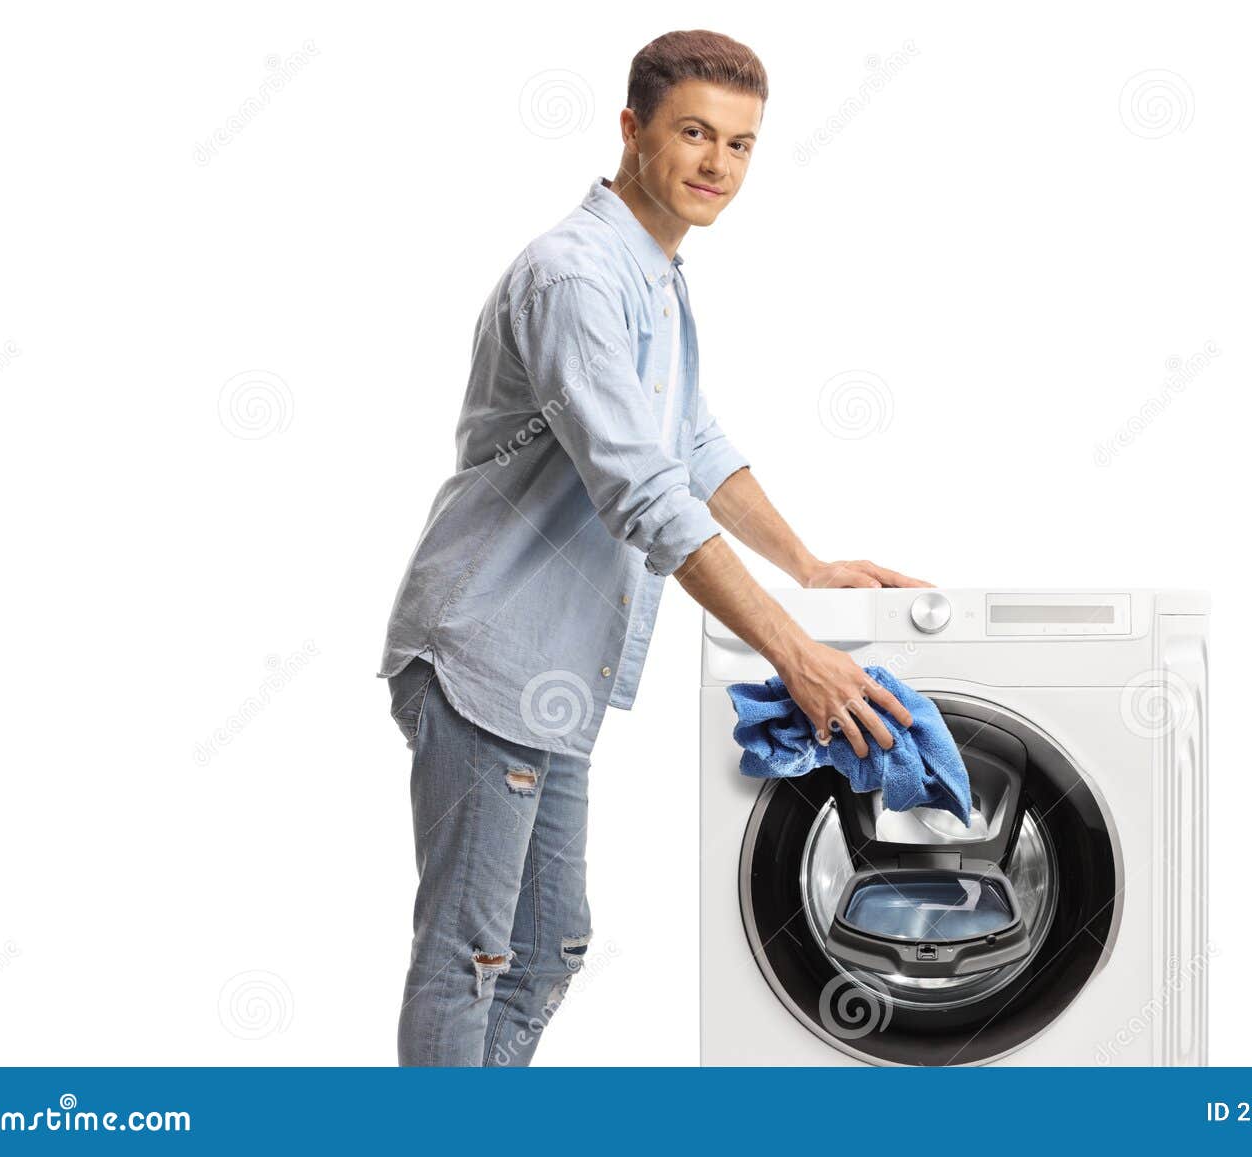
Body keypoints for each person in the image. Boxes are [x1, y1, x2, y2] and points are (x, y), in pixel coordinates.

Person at [378, 28, 930, 1066]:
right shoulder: (576, 276)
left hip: (553, 668)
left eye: (740, 143)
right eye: (692, 132)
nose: (717, 164)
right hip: (487, 653)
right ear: (631, 130)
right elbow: (645, 492)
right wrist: (793, 651)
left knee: (546, 947)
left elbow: (696, 448)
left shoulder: (655, 275)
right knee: (472, 955)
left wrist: (806, 566)